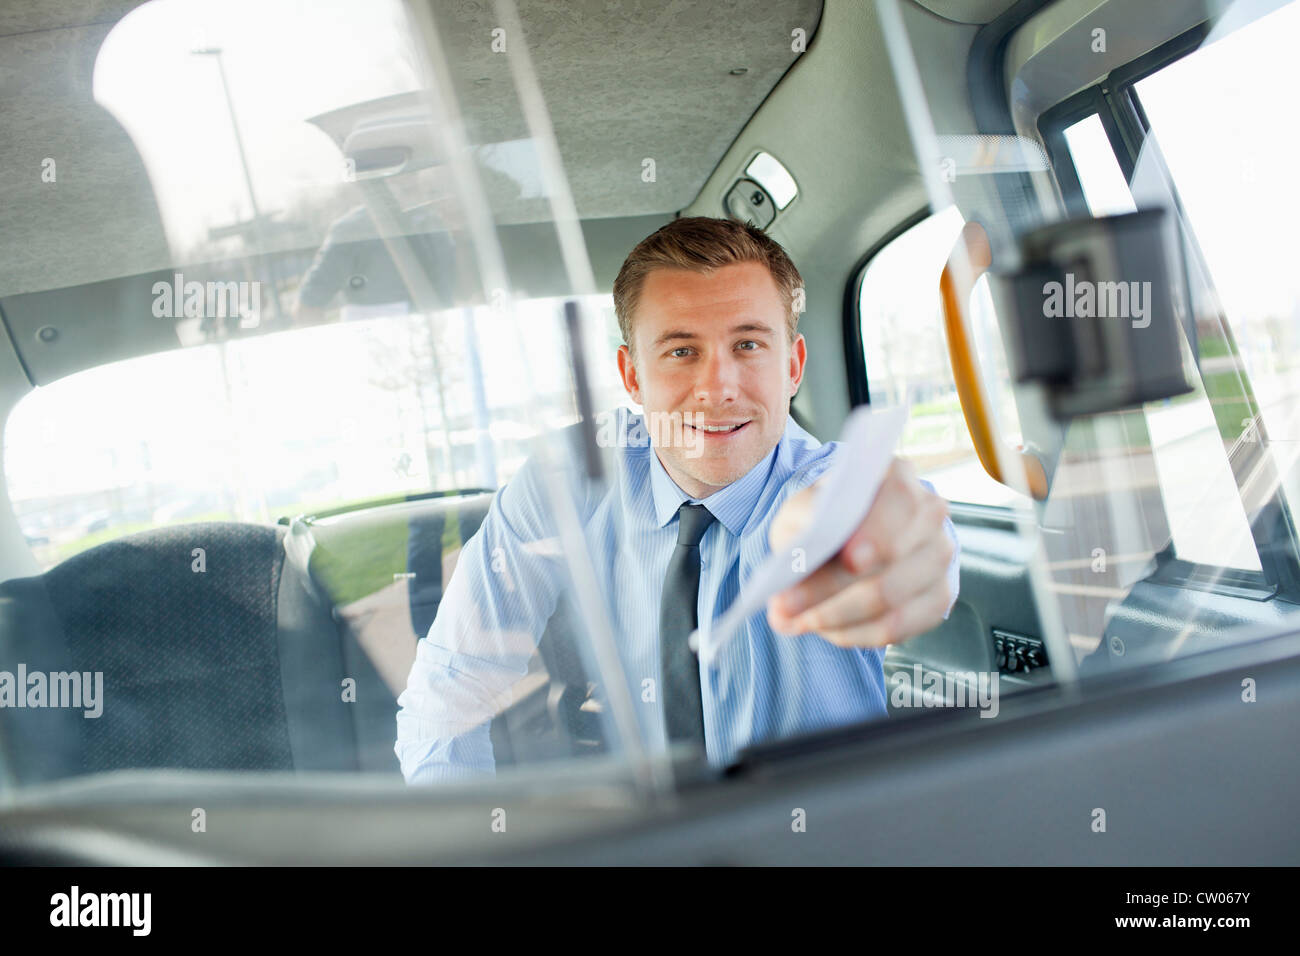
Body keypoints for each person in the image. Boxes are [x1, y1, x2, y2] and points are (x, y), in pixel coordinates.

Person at [395, 216, 960, 782]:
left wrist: (889, 550)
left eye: (747, 344)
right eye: (681, 351)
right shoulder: (566, 481)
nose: (717, 388)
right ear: (632, 375)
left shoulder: (832, 486)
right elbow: (454, 679)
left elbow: (892, 521)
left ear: (792, 366)